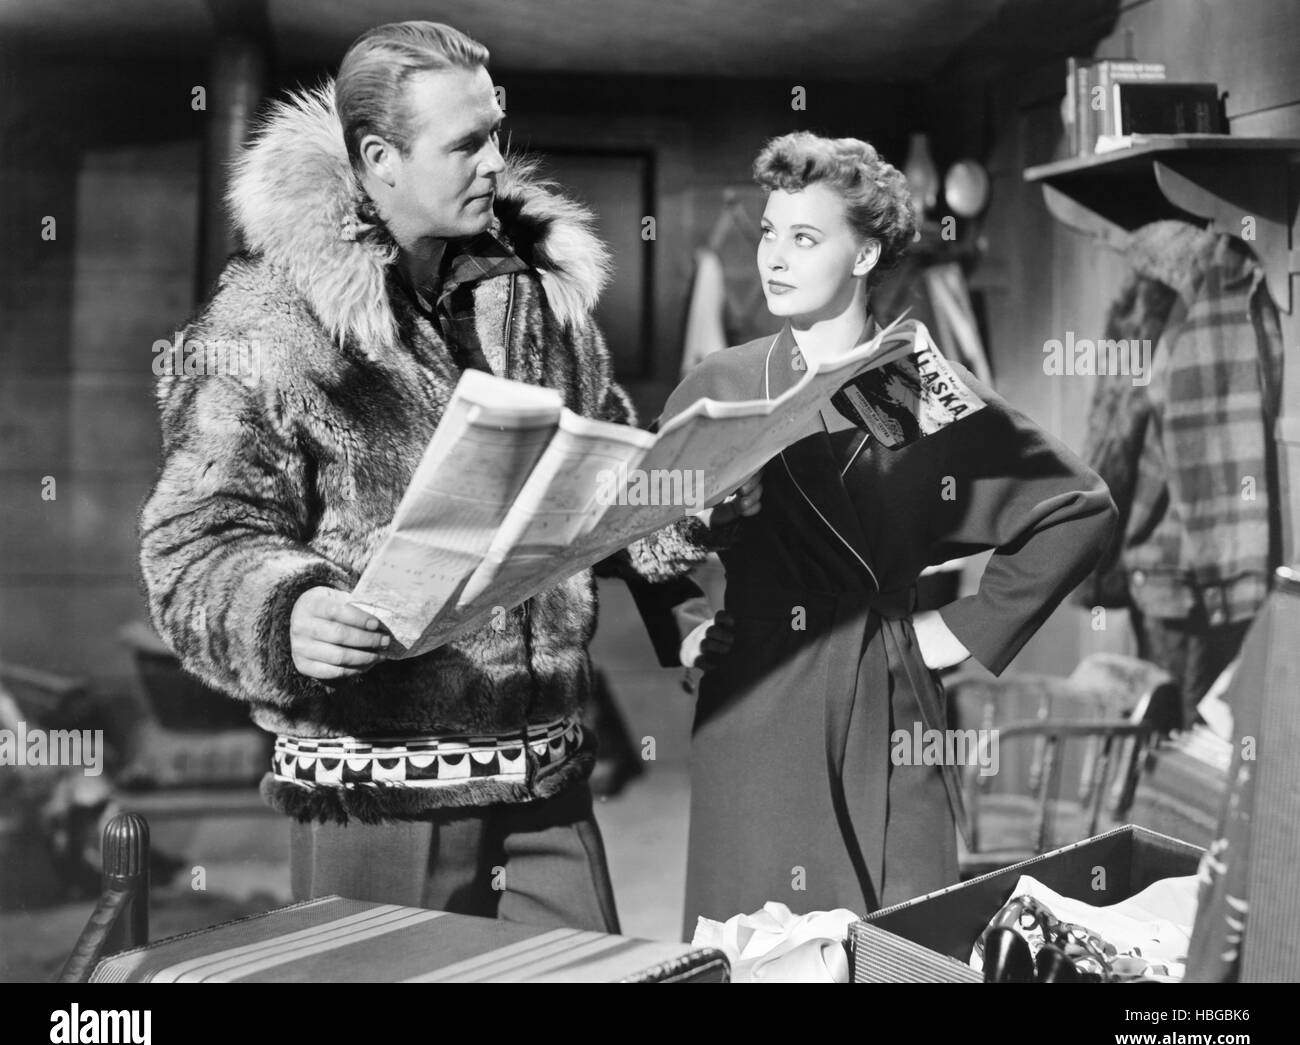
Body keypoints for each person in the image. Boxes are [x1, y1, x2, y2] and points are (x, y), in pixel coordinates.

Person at [138, 21, 710, 932]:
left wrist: (683, 608)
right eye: (466, 143)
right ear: (380, 158)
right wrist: (288, 615)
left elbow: (612, 468)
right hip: (376, 789)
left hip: (546, 772)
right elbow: (196, 543)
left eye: (497, 131)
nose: (496, 162)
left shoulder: (535, 296)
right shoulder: (269, 326)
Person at [659, 132, 1119, 934]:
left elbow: (1078, 508)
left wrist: (953, 632)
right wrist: (687, 628)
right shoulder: (720, 382)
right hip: (757, 698)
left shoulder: (911, 384)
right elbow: (641, 532)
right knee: (765, 948)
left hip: (891, 692)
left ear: (866, 253)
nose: (774, 256)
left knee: (904, 939)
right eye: (770, 232)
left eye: (805, 238)